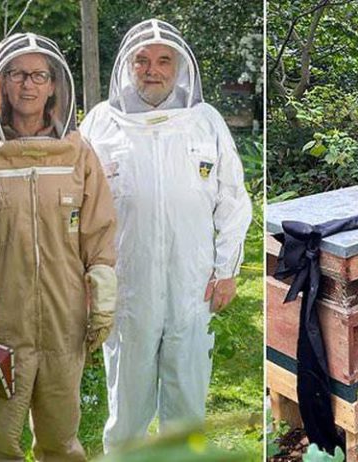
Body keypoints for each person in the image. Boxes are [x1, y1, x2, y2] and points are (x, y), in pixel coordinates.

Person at [0, 33, 117, 461]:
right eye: (17, 74)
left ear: (54, 85)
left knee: (61, 439)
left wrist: (103, 302)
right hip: (1, 325)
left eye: (39, 75)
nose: (28, 84)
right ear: (1, 83)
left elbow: (99, 235)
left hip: (64, 320)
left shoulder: (78, 154)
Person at [79, 19, 252, 451]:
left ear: (179, 68)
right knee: (127, 403)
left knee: (187, 397)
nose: (152, 70)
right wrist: (85, 277)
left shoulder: (205, 121)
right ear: (127, 65)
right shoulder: (100, 124)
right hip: (127, 286)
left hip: (192, 283)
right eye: (142, 60)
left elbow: (232, 198)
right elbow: (77, 208)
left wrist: (226, 270)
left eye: (163, 61)